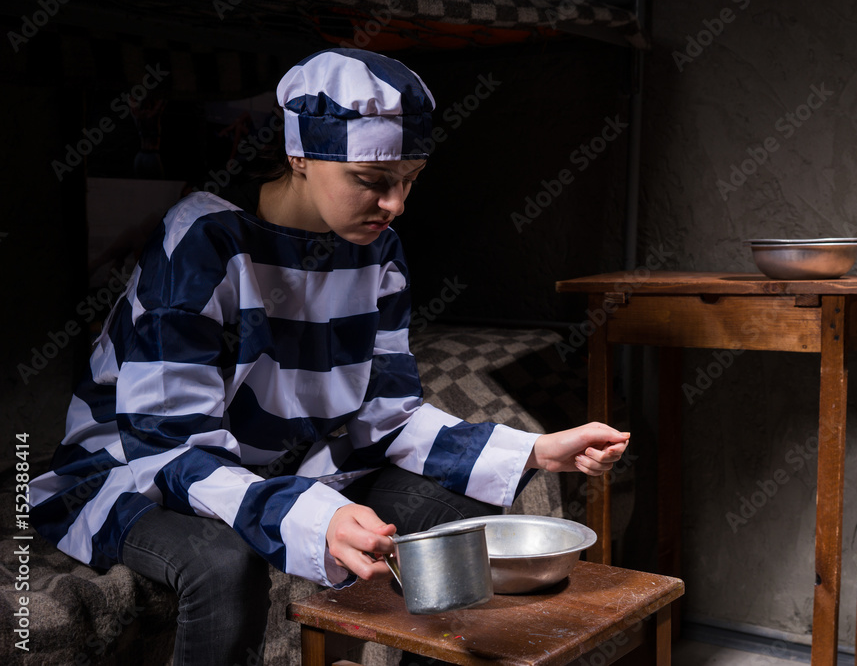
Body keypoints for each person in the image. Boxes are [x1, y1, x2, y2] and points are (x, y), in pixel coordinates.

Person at [29, 49, 629, 665]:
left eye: (410, 178)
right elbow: (169, 446)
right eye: (371, 181)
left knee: (454, 517)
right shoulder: (203, 240)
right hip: (137, 469)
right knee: (223, 564)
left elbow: (388, 417)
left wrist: (534, 449)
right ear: (299, 156)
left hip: (266, 469)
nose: (395, 204)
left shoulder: (380, 251)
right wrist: (312, 515)